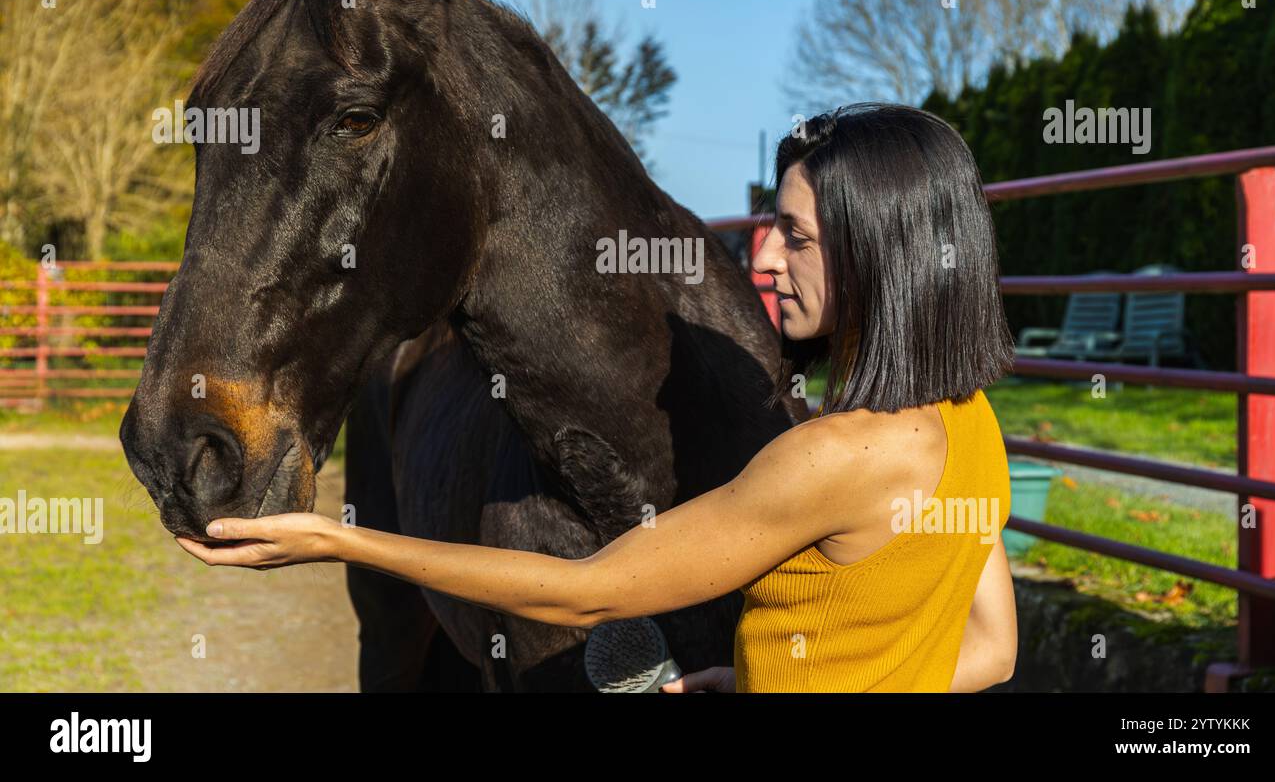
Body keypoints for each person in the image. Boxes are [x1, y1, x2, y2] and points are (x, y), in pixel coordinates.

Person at [176, 102, 1020, 693]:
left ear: (880, 255)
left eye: (796, 237)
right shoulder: (971, 425)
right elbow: (991, 651)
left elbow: (590, 591)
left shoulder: (829, 458)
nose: (764, 262)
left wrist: (345, 544)